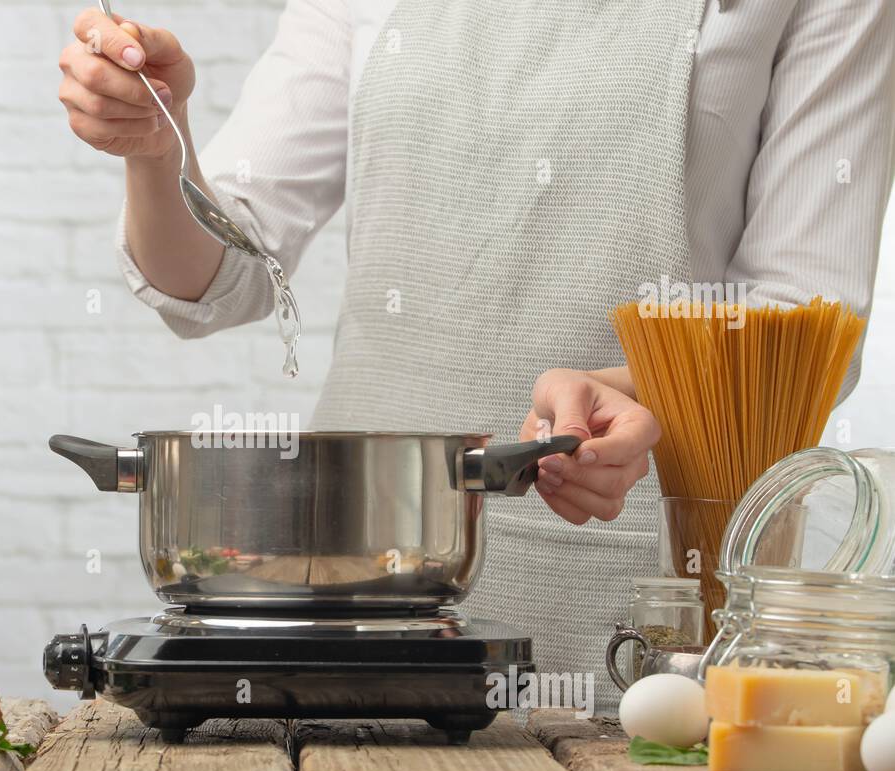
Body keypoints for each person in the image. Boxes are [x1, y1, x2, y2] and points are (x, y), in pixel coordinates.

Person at [57, 0, 895, 705]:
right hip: (352, 592)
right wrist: (160, 157)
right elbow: (222, 274)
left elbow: (802, 321)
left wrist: (611, 392)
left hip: (658, 583)